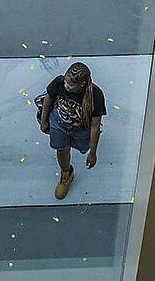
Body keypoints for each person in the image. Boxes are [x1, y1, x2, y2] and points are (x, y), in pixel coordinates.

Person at [39, 61, 105, 199]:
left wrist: (93, 153)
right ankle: (66, 174)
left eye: (70, 85)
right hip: (58, 123)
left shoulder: (96, 95)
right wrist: (44, 121)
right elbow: (48, 98)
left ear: (81, 85)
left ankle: (81, 147)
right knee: (62, 150)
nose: (65, 85)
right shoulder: (59, 81)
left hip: (82, 129)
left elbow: (95, 126)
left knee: (83, 148)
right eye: (66, 82)